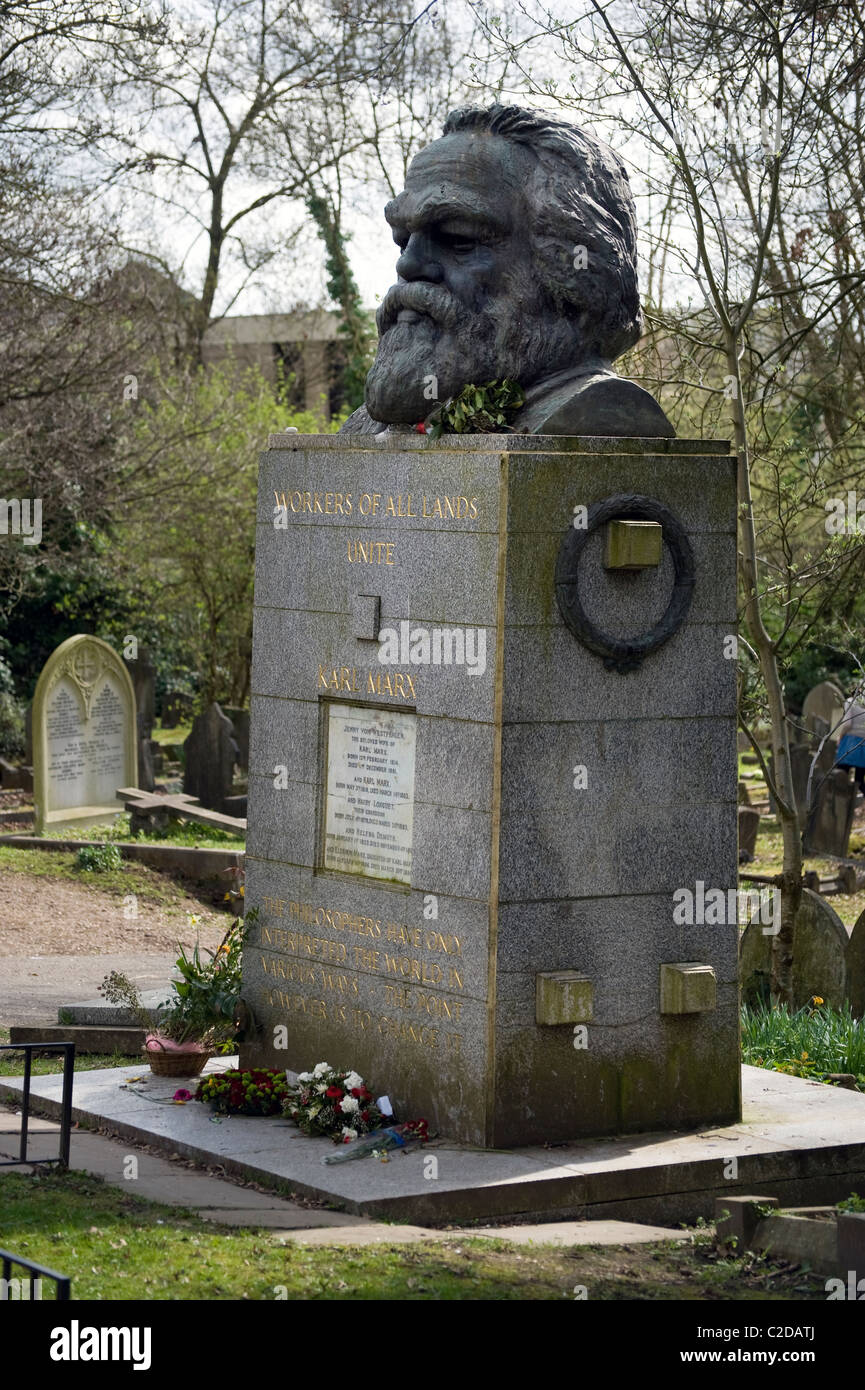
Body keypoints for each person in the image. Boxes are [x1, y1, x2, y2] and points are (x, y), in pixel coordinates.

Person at [341, 104, 674, 439]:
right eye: (403, 239)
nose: (407, 264)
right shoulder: (372, 425)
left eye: (458, 238)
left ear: (570, 276)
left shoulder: (601, 419)